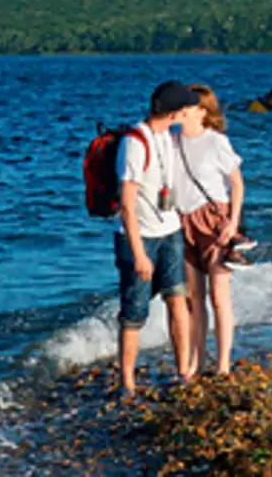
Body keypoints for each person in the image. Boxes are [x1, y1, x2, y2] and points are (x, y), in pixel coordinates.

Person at [115, 80, 199, 396]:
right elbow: (126, 204)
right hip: (139, 237)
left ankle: (183, 373)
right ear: (174, 111)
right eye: (185, 107)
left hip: (170, 230)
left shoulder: (169, 137)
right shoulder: (135, 143)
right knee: (134, 312)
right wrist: (139, 254)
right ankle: (126, 382)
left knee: (178, 299)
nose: (188, 111)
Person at [174, 84, 248, 376]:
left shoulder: (216, 141)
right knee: (194, 298)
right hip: (181, 220)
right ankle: (197, 361)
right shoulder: (171, 139)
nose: (181, 109)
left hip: (214, 219)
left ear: (202, 112)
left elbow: (237, 183)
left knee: (219, 296)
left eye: (188, 105)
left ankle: (223, 364)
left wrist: (232, 222)